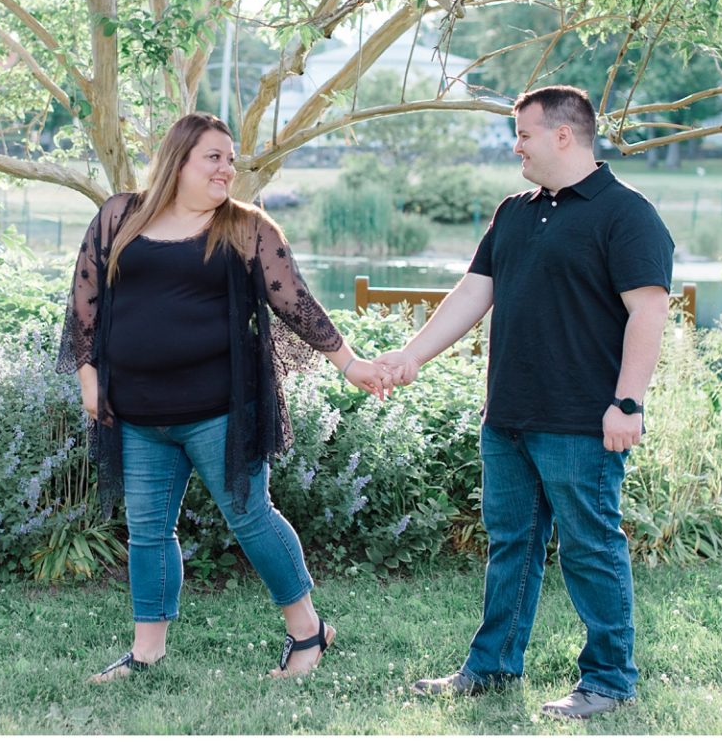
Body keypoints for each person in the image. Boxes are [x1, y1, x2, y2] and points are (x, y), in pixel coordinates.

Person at [57, 113, 390, 683]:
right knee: (148, 532)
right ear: (178, 160)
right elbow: (84, 295)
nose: (227, 168)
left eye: (230, 159)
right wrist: (88, 376)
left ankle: (308, 631)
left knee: (251, 516)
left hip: (219, 412)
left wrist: (350, 363)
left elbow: (296, 303)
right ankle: (146, 654)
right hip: (136, 412)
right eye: (214, 157)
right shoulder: (120, 215)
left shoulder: (245, 227)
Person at [377, 85, 673, 719]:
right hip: (507, 415)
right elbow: (471, 293)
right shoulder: (513, 211)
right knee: (511, 542)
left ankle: (610, 680)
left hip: (581, 419)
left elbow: (648, 310)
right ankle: (490, 669)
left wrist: (629, 401)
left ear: (564, 134)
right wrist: (410, 355)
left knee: (590, 546)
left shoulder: (627, 214)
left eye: (524, 133)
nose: (516, 145)